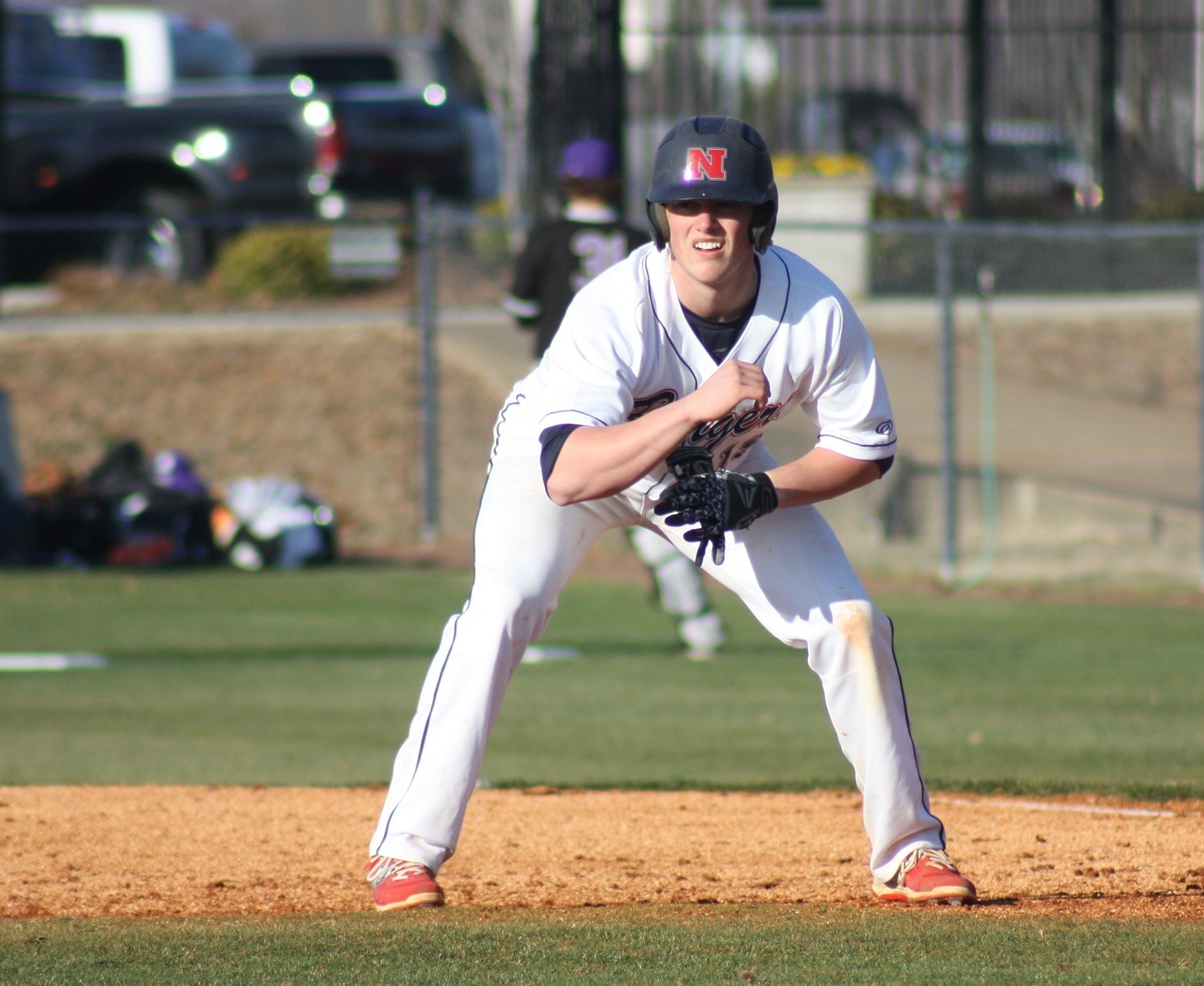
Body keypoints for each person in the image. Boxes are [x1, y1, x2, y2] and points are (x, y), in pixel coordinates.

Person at [365, 115, 976, 912]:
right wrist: (698, 405)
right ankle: (402, 853)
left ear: (761, 214)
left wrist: (759, 491)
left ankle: (910, 849)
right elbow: (566, 473)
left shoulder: (814, 310)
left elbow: (866, 447)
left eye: (727, 203)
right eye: (686, 205)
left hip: (710, 474)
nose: (706, 223)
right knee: (499, 611)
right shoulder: (615, 304)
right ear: (660, 215)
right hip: (561, 456)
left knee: (853, 620)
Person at [505, 137, 725, 660]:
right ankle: (699, 623)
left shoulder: (550, 236)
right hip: (638, 387)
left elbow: (520, 309)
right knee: (652, 502)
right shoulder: (636, 237)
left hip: (564, 388)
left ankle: (514, 628)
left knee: (532, 507)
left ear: (564, 180)